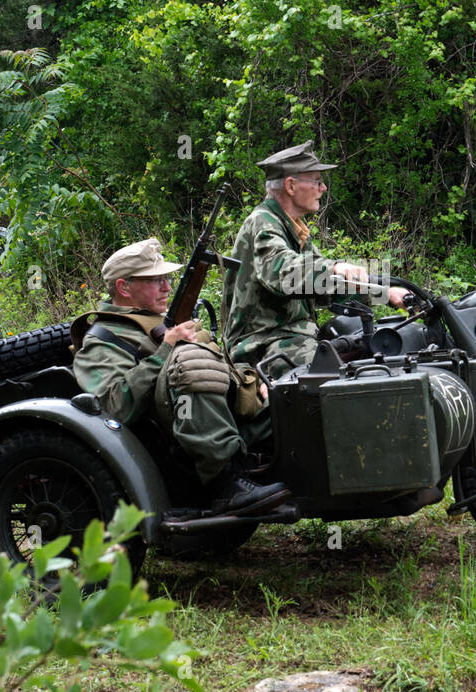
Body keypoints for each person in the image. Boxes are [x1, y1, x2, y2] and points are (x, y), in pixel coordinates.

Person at [72, 238, 289, 516]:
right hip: (173, 449)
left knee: (296, 401)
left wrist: (251, 382)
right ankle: (225, 485)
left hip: (220, 418)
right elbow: (113, 408)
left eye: (166, 278)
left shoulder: (155, 321)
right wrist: (166, 350)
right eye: (154, 280)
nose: (166, 287)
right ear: (123, 287)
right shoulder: (103, 340)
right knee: (190, 362)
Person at [223, 140, 409, 379]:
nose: (323, 189)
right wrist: (335, 266)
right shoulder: (263, 222)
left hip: (291, 336)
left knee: (371, 347)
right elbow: (283, 272)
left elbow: (325, 286)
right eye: (317, 181)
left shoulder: (294, 228)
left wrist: (387, 292)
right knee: (324, 376)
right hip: (260, 343)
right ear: (291, 186)